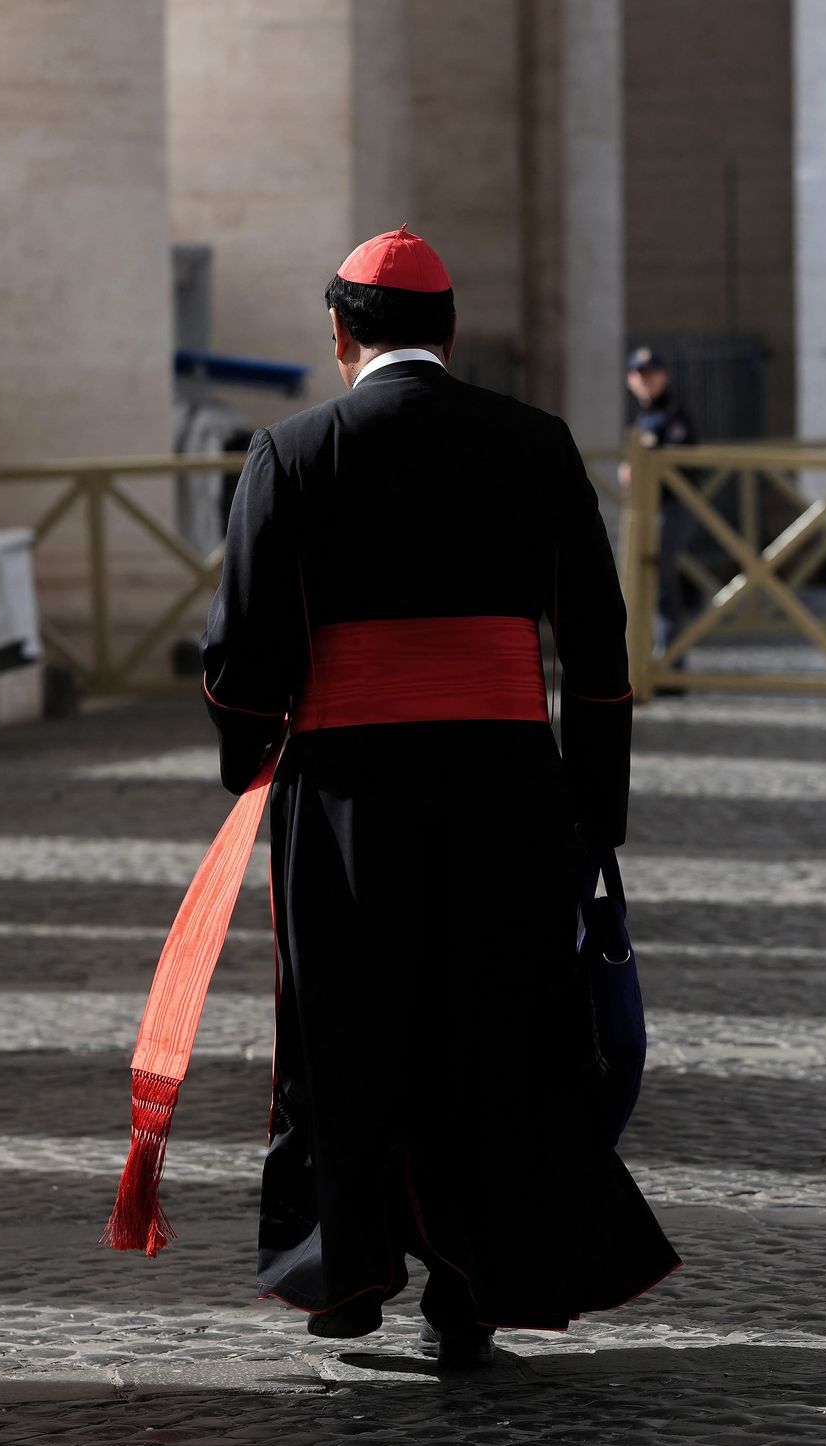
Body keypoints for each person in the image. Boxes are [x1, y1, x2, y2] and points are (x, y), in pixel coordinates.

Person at [193, 228, 679, 1371]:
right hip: (509, 792)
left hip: (349, 795)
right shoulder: (538, 445)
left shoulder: (291, 453)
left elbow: (237, 659)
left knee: (345, 1035)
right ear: (449, 332)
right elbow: (601, 652)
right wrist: (592, 810)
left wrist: (254, 752)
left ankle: (344, 1280)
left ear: (338, 335)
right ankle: (470, 1289)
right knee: (490, 1037)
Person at [625, 346, 706, 671]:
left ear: (664, 376)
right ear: (630, 380)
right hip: (653, 510)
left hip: (673, 508)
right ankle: (658, 659)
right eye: (640, 376)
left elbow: (675, 462)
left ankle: (672, 664)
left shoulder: (674, 413)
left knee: (662, 580)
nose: (646, 381)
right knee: (654, 580)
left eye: (652, 375)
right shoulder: (646, 414)